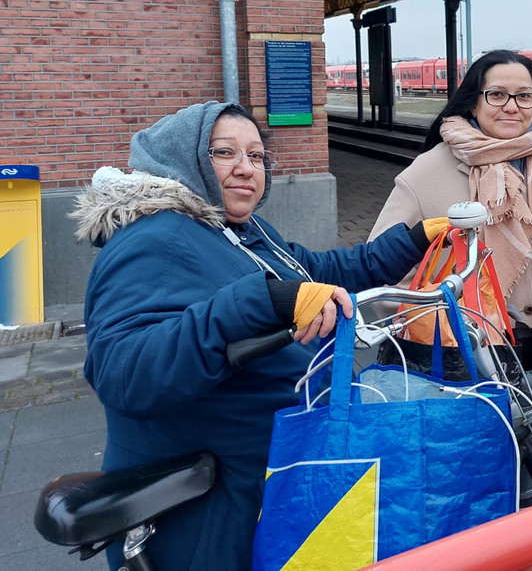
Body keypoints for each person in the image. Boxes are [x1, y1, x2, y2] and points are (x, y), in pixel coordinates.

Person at [75, 101, 445, 571]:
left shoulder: (237, 230)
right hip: (212, 506)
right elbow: (125, 373)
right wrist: (263, 301)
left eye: (256, 156)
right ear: (181, 158)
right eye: (224, 153)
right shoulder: (156, 237)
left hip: (272, 470)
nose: (245, 168)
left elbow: (319, 270)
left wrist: (411, 241)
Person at [370, 49, 532, 364]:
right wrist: (437, 328)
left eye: (524, 96)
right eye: (497, 95)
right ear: (474, 101)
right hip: (470, 361)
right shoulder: (425, 172)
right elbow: (382, 263)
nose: (512, 106)